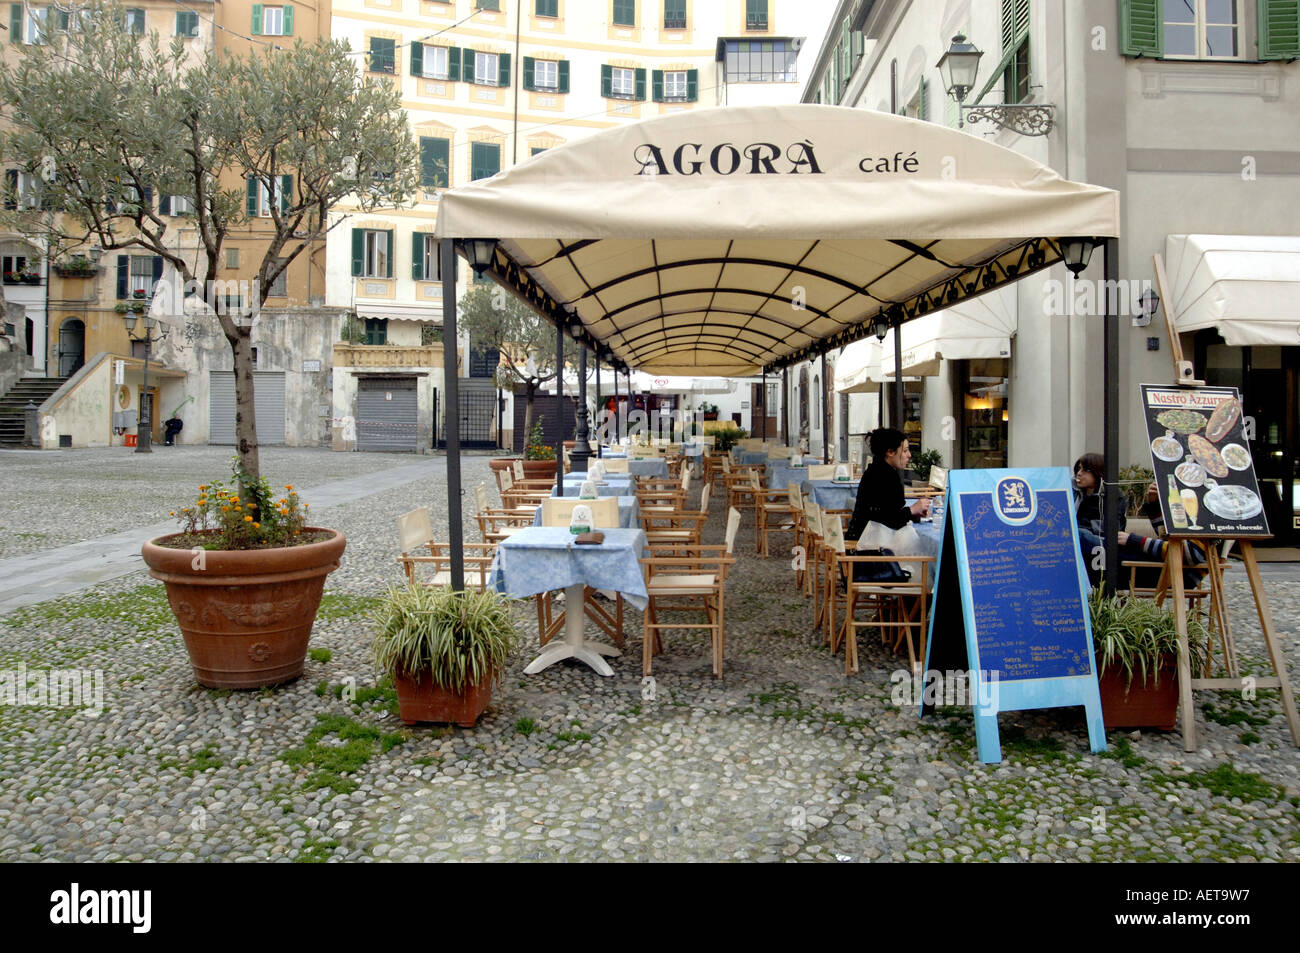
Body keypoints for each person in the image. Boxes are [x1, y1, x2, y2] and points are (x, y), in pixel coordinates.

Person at [846, 427, 930, 542]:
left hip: (863, 538)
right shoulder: (883, 476)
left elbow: (886, 513)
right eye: (905, 451)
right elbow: (889, 519)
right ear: (890, 452)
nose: (909, 455)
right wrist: (912, 510)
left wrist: (913, 513)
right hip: (868, 547)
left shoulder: (877, 470)